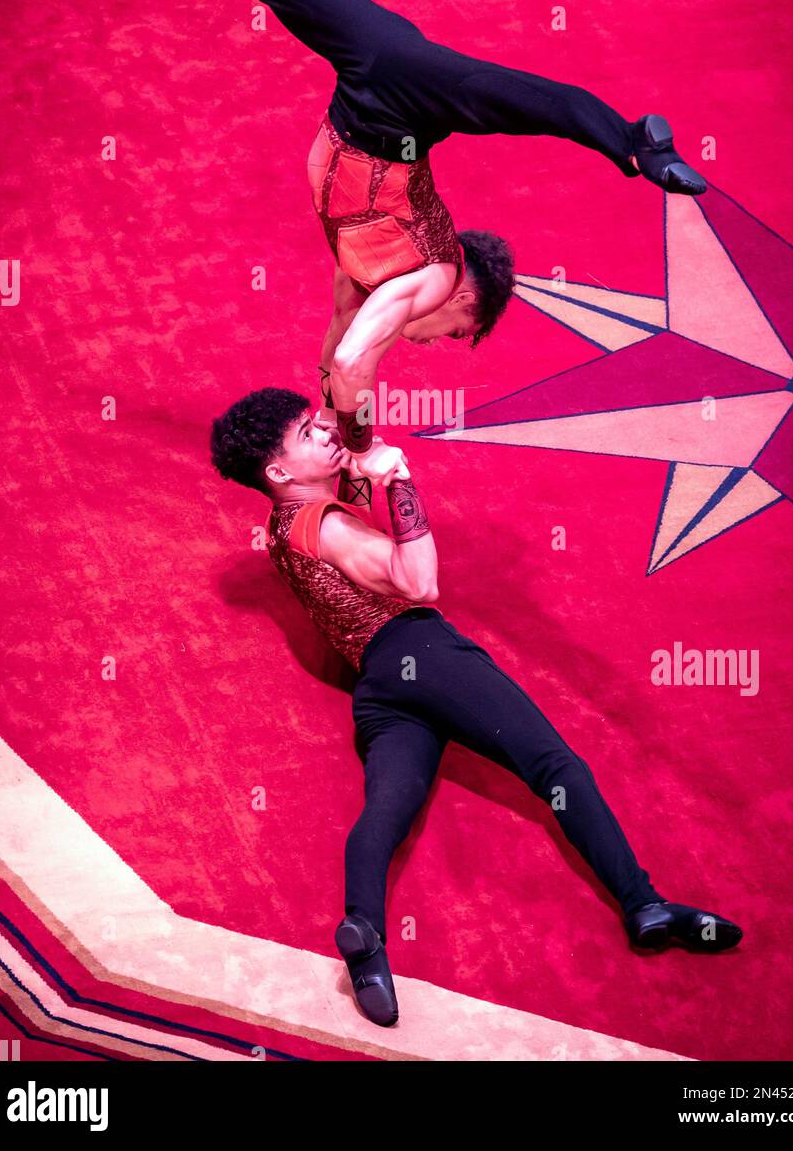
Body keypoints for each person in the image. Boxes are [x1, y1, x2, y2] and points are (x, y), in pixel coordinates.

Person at [11, 0, 709, 495]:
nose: (423, 341)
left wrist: (336, 441)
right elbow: (354, 360)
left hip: (366, 89)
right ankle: (632, 145)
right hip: (401, 99)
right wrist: (368, 450)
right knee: (514, 98)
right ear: (467, 309)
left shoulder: (373, 275)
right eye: (441, 339)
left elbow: (337, 357)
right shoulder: (431, 278)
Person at [209, 388, 742, 1027]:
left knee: (385, 812)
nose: (323, 429)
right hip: (424, 652)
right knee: (558, 770)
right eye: (306, 432)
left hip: (379, 688)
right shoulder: (328, 525)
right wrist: (400, 478)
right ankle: (644, 904)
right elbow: (418, 582)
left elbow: (347, 458)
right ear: (276, 472)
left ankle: (364, 934)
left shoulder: (285, 524)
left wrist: (357, 449)